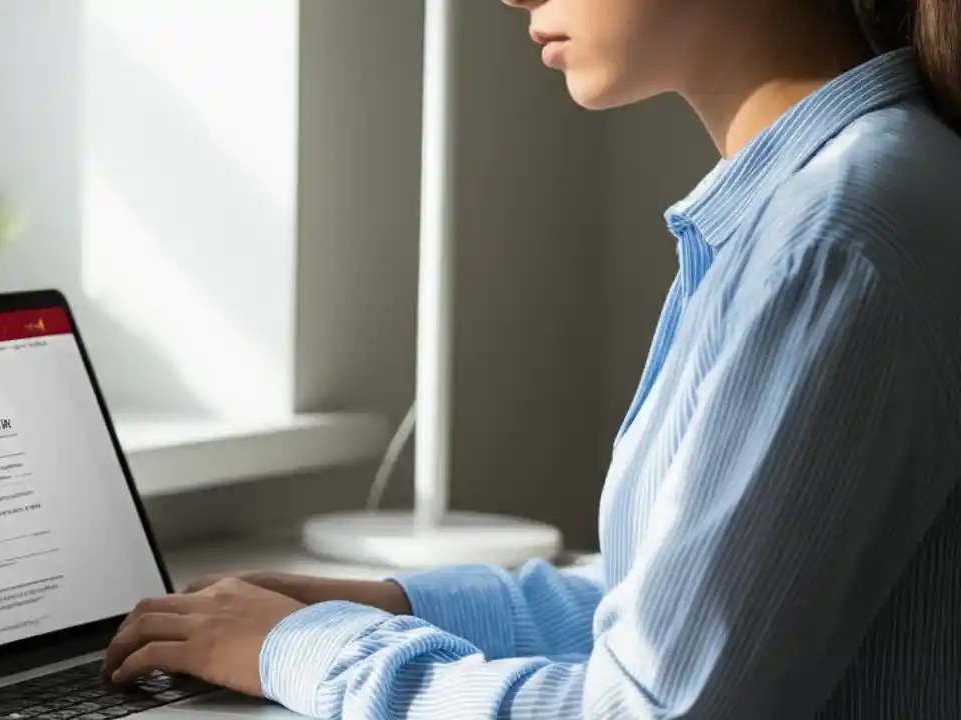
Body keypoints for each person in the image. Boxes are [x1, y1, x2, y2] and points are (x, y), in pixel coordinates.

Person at [102, 0, 961, 717]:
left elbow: (650, 710)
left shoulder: (834, 238)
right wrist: (393, 604)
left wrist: (302, 650)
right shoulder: (827, 197)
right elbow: (673, 610)